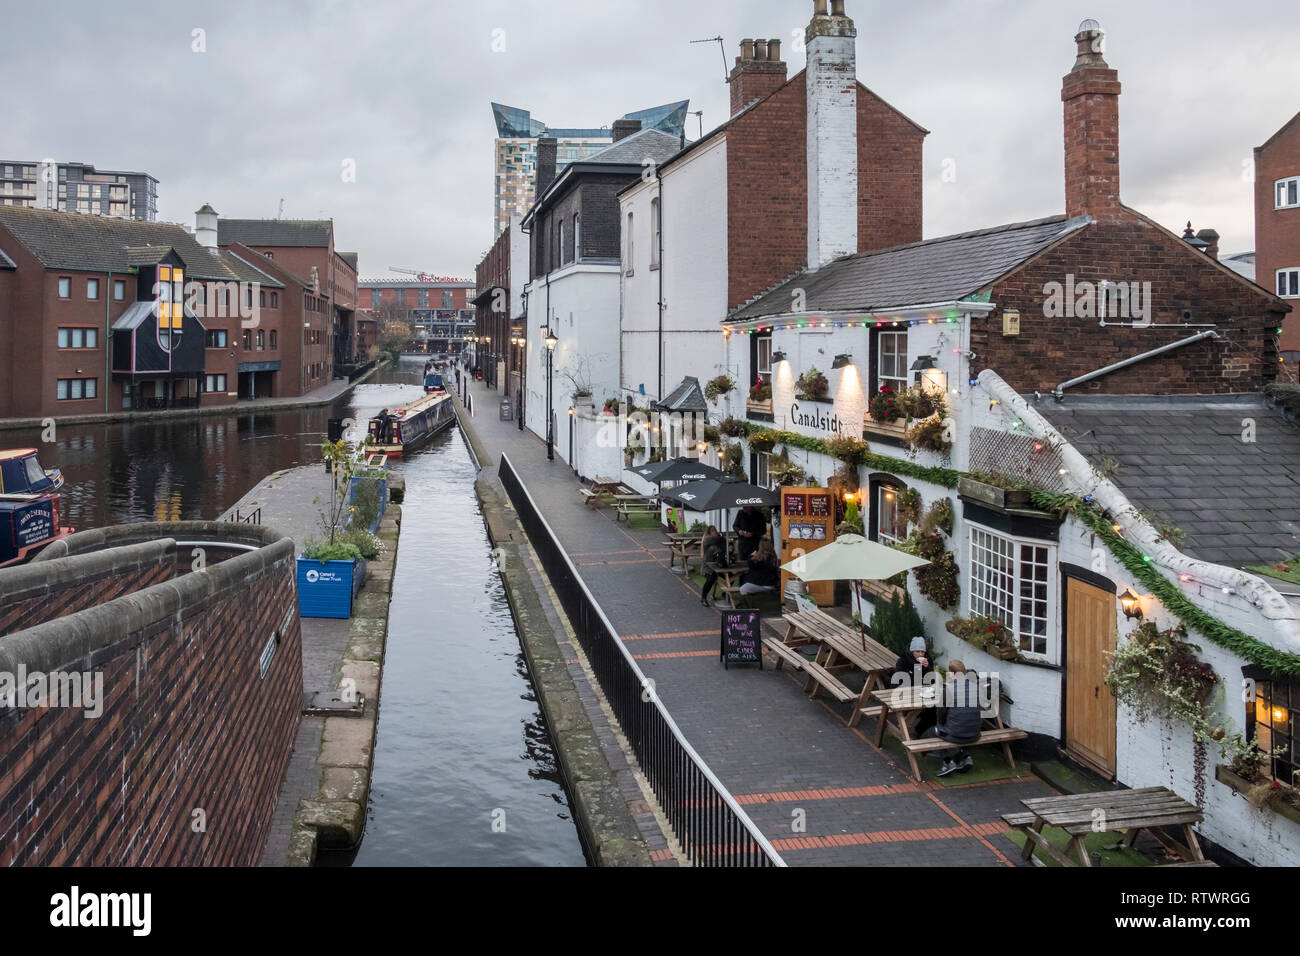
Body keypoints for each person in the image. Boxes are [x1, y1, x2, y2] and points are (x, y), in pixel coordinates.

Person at [928, 660, 983, 777]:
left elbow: (941, 714)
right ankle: (965, 757)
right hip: (975, 734)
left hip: (955, 735)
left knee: (932, 730)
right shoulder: (977, 688)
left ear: (952, 674)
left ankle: (947, 762)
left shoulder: (948, 690)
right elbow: (982, 709)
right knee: (964, 723)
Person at [894, 635, 937, 735]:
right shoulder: (903, 660)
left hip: (921, 692)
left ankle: (918, 731)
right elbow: (899, 679)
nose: (920, 654)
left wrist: (927, 668)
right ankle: (908, 728)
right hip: (903, 691)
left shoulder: (927, 660)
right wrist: (916, 669)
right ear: (912, 651)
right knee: (925, 706)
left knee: (934, 707)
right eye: (917, 651)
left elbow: (932, 679)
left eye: (922, 652)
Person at [698, 525, 726, 606]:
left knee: (732, 575)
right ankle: (703, 597)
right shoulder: (707, 539)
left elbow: (724, 546)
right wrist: (721, 537)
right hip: (708, 566)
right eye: (712, 531)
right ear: (709, 532)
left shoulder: (719, 540)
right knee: (711, 578)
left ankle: (726, 593)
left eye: (715, 530)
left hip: (719, 564)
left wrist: (722, 539)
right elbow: (714, 540)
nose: (715, 532)